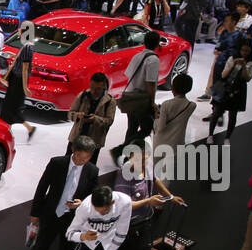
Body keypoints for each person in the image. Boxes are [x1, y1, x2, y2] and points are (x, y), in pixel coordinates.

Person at [20, 137, 101, 250]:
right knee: (39, 249)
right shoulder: (57, 163)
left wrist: (81, 203)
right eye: (78, 157)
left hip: (72, 219)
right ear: (73, 150)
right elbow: (42, 187)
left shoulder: (92, 170)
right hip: (51, 214)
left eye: (85, 158)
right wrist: (35, 212)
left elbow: (93, 195)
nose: (81, 161)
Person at [114, 29, 161, 159]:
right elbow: (150, 83)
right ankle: (121, 150)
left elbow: (128, 75)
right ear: (157, 44)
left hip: (131, 97)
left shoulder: (137, 56)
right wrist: (152, 102)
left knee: (132, 127)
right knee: (147, 128)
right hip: (142, 99)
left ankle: (126, 153)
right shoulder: (153, 60)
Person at [206, 38, 252, 142]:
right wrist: (233, 64)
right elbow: (223, 75)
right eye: (242, 50)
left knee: (233, 115)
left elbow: (248, 78)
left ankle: (227, 137)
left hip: (239, 89)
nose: (244, 53)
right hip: (226, 87)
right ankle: (210, 135)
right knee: (216, 112)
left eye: (247, 51)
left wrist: (244, 67)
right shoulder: (232, 58)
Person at [152, 73, 195, 183]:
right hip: (177, 143)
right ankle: (164, 197)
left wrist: (157, 114)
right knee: (167, 176)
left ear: (173, 87)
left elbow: (160, 127)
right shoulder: (191, 105)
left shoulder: (166, 104)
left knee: (154, 173)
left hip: (160, 142)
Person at [65, 72, 115, 165]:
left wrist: (95, 119)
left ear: (104, 87)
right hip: (76, 137)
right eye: (92, 87)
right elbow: (70, 113)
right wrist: (77, 116)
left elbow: (109, 121)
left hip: (94, 141)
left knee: (89, 167)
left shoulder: (110, 101)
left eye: (98, 89)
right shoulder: (83, 96)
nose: (93, 91)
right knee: (68, 162)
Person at [0, 35, 37, 142]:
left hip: (19, 80)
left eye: (21, 30)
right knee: (10, 107)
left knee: (11, 107)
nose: (19, 33)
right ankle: (26, 129)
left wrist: (25, 87)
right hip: (16, 79)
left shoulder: (28, 47)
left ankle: (7, 133)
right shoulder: (26, 46)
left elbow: (25, 68)